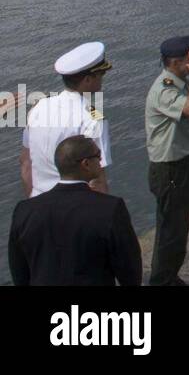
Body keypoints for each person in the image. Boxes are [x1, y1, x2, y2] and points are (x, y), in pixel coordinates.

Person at [8, 135, 142, 286]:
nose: (100, 160)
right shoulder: (109, 208)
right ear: (86, 164)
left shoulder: (24, 210)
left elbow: (19, 270)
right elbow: (129, 268)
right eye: (98, 156)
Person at [144, 35, 189, 285]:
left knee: (180, 226)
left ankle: (170, 276)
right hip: (170, 168)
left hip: (182, 163)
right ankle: (161, 280)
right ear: (177, 62)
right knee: (171, 229)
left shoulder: (180, 83)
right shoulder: (165, 89)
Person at [20, 42, 113, 197]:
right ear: (88, 79)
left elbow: (25, 163)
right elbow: (97, 178)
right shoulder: (92, 118)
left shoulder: (38, 107)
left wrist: (33, 202)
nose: (102, 80)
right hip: (76, 206)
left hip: (38, 202)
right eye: (100, 75)